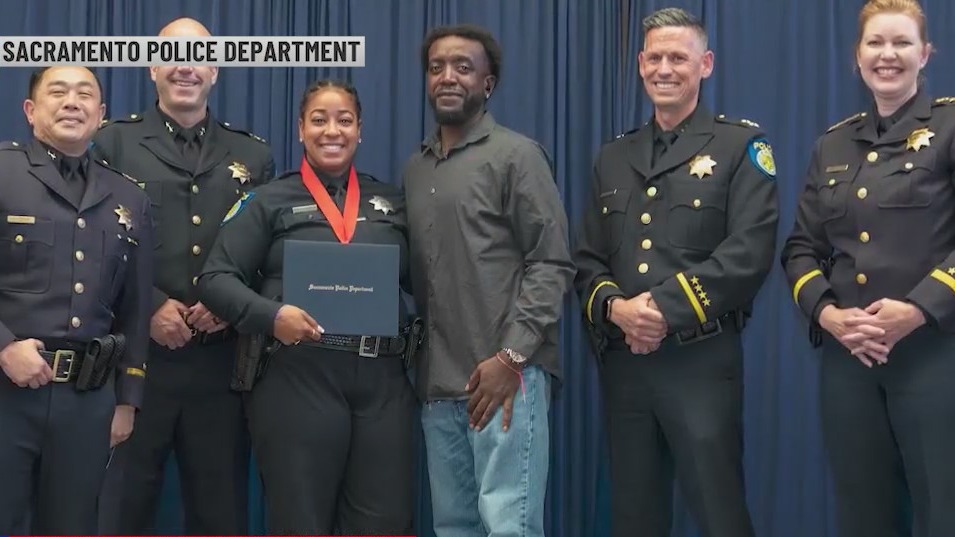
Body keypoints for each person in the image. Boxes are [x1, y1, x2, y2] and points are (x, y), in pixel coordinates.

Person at [574, 7, 778, 537]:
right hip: (626, 368)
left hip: (700, 363)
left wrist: (660, 311)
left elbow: (748, 253)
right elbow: (587, 258)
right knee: (634, 517)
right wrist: (617, 309)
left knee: (719, 513)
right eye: (655, 58)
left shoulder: (740, 146)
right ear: (640, 65)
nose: (665, 69)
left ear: (705, 64)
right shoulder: (614, 156)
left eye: (679, 58)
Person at [197, 79, 416, 535]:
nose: (331, 130)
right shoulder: (267, 199)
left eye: (344, 120)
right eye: (319, 120)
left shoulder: (392, 201)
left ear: (360, 130)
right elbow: (215, 280)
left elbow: (426, 285)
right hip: (297, 377)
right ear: (300, 129)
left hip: (383, 382)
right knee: (301, 522)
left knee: (385, 523)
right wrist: (272, 317)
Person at [92, 17, 275, 535]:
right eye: (173, 54)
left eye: (198, 55)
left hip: (221, 365)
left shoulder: (252, 155)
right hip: (136, 360)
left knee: (220, 513)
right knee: (121, 509)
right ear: (153, 67)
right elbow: (97, 243)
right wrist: (148, 305)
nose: (185, 66)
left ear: (214, 70)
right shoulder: (113, 143)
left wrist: (230, 301)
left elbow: (265, 251)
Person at [782, 0, 955, 534]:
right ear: (856, 56)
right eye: (875, 43)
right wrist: (828, 316)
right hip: (849, 360)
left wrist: (920, 309)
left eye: (901, 43)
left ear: (925, 54)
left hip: (934, 356)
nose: (888, 55)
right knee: (863, 513)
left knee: (941, 510)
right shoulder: (832, 143)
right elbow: (800, 249)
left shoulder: (949, 126)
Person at [402, 24, 575, 537]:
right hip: (438, 385)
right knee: (453, 526)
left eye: (463, 67)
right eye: (437, 68)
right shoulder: (416, 167)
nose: (448, 77)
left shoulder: (517, 155)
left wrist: (511, 358)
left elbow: (553, 263)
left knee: (509, 527)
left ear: (489, 83)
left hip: (506, 380)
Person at [0, 66, 153, 534]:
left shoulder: (129, 196)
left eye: (85, 94)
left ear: (101, 115)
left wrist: (127, 399)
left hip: (87, 400)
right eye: (58, 92)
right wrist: (3, 345)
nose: (72, 102)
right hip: (6, 392)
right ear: (30, 110)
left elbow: (136, 307)